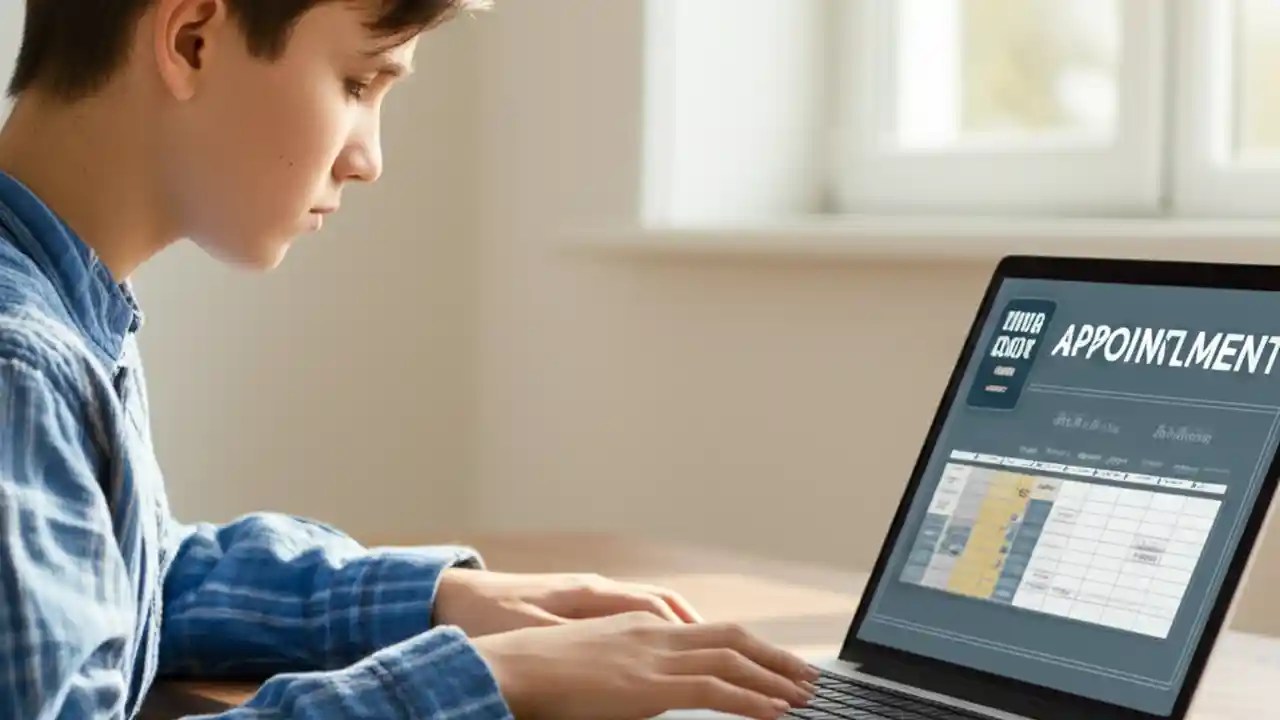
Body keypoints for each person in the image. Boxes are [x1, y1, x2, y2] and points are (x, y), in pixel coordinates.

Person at [0, 1, 818, 718]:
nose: (368, 158)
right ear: (190, 42)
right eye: (359, 84)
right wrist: (480, 678)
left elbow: (125, 586)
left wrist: (437, 601)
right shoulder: (20, 366)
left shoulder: (58, 312)